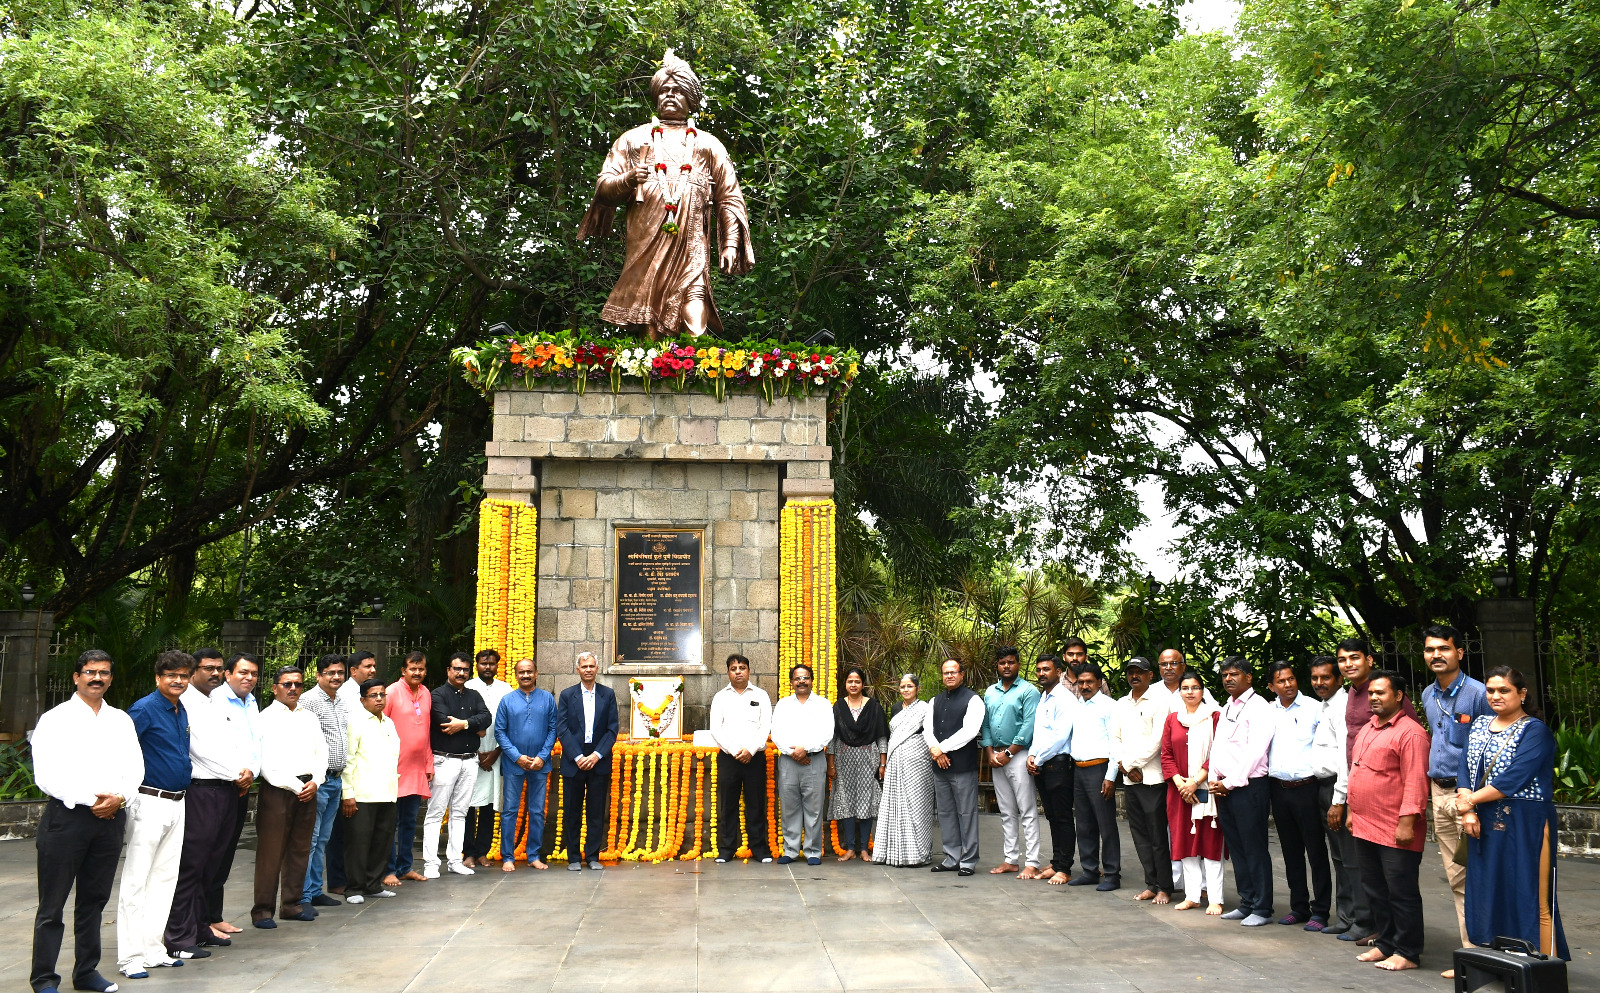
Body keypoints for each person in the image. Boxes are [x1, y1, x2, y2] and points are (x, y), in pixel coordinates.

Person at [31, 650, 142, 993]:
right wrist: (92, 800)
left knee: (93, 900)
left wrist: (120, 799)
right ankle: (44, 978)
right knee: (52, 905)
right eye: (90, 672)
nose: (98, 678)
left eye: (104, 673)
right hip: (67, 820)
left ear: (111, 678)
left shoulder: (121, 719)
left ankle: (87, 972)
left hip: (109, 820)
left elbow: (136, 768)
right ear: (77, 677)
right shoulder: (55, 719)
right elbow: (46, 775)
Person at [1456, 666, 1568, 961]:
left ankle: (1543, 967)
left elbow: (1514, 777)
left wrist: (1468, 803)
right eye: (1490, 690)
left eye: (1504, 690)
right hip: (1483, 818)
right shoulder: (1479, 724)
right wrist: (1468, 810)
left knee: (1529, 891)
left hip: (1526, 821)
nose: (1496, 696)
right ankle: (1497, 961)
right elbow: (1465, 767)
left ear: (1522, 694)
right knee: (1490, 890)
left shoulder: (1536, 731)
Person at [162, 648, 251, 960]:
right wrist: (236, 773)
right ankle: (178, 935)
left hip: (227, 790)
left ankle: (200, 926)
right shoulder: (186, 702)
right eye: (207, 668)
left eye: (217, 668)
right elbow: (198, 749)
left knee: (212, 865)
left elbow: (232, 743)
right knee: (192, 865)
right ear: (193, 671)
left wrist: (243, 770)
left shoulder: (217, 701)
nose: (214, 673)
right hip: (202, 790)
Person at [1326, 638, 1415, 945]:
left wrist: (1407, 815)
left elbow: (1411, 757)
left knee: (1395, 882)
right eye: (1342, 659)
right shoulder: (1352, 694)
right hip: (1359, 798)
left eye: (1355, 658)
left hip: (1389, 803)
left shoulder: (1396, 709)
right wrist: (1346, 801)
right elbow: (1349, 749)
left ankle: (1399, 942)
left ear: (1370, 660)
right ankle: (1378, 931)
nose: (1348, 664)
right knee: (1367, 873)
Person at [117, 651, 193, 980]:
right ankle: (130, 957)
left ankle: (153, 949)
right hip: (148, 801)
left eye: (184, 675)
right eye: (171, 675)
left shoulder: (180, 708)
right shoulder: (144, 709)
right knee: (136, 882)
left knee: (164, 880)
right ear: (157, 677)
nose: (178, 680)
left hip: (178, 802)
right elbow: (121, 751)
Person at [1347, 670, 1429, 972]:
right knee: (1374, 888)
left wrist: (1407, 821)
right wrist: (1352, 811)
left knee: (1401, 891)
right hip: (1365, 824)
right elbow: (1357, 772)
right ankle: (1385, 943)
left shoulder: (1411, 733)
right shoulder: (1369, 728)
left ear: (1399, 696)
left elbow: (1416, 782)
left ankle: (1408, 951)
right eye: (1371, 693)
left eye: (1381, 693)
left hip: (1396, 827)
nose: (1374, 698)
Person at [1419, 624, 1490, 954]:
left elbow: (1492, 748)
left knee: (1483, 874)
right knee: (1457, 876)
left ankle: (1495, 952)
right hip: (1439, 793)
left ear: (1459, 653)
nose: (1436, 655)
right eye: (1430, 649)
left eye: (1443, 649)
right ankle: (1472, 955)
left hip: (1471, 797)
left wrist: (1473, 802)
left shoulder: (1478, 694)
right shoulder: (1427, 695)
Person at [252, 666, 326, 929]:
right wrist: (297, 786)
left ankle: (292, 904)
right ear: (275, 688)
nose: (293, 688)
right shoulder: (265, 718)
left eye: (297, 684)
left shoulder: (310, 717)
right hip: (279, 790)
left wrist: (316, 780)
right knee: (271, 852)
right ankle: (262, 910)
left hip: (309, 788)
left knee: (300, 849)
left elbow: (322, 752)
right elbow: (265, 762)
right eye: (287, 684)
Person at [1265, 661, 1332, 929]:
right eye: (1281, 681)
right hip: (1279, 790)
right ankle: (1298, 907)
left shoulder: (1315, 709)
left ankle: (1321, 911)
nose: (1288, 684)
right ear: (1272, 686)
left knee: (1316, 851)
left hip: (1308, 788)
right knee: (1291, 851)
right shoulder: (1268, 712)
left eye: (1291, 679)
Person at [1209, 657, 1275, 926]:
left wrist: (1230, 782)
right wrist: (1215, 779)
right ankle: (1246, 902)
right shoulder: (1227, 706)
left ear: (1249, 677)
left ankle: (1261, 908)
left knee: (1254, 847)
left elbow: (1255, 752)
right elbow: (1218, 746)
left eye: (1234, 674)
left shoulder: (1259, 707)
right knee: (1236, 848)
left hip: (1248, 787)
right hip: (1224, 787)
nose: (1228, 679)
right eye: (1224, 675)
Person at [206, 653, 262, 939]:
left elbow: (255, 745)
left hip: (242, 785)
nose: (248, 678)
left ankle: (215, 916)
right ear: (228, 674)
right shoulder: (214, 700)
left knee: (226, 852)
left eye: (253, 673)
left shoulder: (251, 702)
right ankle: (203, 918)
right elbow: (213, 745)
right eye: (242, 672)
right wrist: (236, 773)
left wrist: (251, 771)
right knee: (210, 853)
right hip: (219, 786)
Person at [1161, 672, 1226, 914]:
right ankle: (1192, 895)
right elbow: (1166, 755)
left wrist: (1195, 781)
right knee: (1184, 844)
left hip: (1207, 789)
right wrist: (1181, 784)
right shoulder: (1172, 720)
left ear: (1203, 690)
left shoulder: (1215, 718)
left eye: (1195, 687)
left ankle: (1215, 899)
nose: (1190, 692)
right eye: (1185, 688)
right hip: (1179, 793)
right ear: (1179, 692)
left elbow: (1218, 752)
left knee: (1210, 845)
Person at [422, 652, 491, 878]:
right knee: (436, 813)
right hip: (444, 760)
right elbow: (443, 721)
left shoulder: (474, 694)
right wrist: (473, 725)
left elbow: (486, 718)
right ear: (448, 671)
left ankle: (454, 860)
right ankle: (431, 864)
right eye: (457, 669)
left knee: (460, 813)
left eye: (465, 670)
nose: (461, 673)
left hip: (470, 761)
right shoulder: (437, 695)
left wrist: (462, 724)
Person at [1114, 656, 1173, 903]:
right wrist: (1126, 768)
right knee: (1139, 836)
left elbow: (1158, 740)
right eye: (1131, 672)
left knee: (1158, 836)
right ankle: (1151, 883)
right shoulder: (1121, 704)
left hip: (1152, 779)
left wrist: (1132, 765)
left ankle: (1164, 888)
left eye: (1140, 672)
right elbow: (1114, 739)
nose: (1134, 676)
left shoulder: (1161, 702)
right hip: (1131, 780)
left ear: (1150, 676)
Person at [981, 647, 1042, 879]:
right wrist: (989, 753)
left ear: (1018, 664)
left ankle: (1033, 861)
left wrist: (1009, 752)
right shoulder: (990, 692)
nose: (1006, 666)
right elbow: (985, 723)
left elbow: (1029, 725)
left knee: (1027, 810)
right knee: (1006, 811)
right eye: (1002, 663)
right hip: (996, 757)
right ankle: (1011, 859)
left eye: (1011, 662)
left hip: (1018, 756)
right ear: (997, 665)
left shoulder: (1028, 691)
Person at [1309, 655, 1359, 935]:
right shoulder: (1325, 707)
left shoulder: (1343, 707)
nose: (1319, 683)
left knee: (1349, 858)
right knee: (1339, 857)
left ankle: (1356, 920)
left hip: (1337, 787)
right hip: (1323, 786)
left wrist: (1339, 800)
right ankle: (1345, 918)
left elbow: (1345, 756)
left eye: (1325, 677)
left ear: (1339, 678)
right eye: (1315, 678)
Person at [557, 651, 619, 869]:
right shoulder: (567, 695)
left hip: (598, 760)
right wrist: (578, 756)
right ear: (578, 669)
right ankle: (574, 857)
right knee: (572, 812)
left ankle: (592, 856)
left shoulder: (608, 694)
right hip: (574, 761)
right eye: (584, 667)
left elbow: (612, 730)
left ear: (597, 668)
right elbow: (562, 729)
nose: (588, 670)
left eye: (592, 666)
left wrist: (596, 755)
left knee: (595, 811)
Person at [709, 653, 773, 863]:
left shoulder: (761, 695)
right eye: (734, 668)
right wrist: (735, 750)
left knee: (755, 804)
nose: (738, 672)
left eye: (742, 668)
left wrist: (750, 750)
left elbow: (765, 726)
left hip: (755, 758)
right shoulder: (720, 697)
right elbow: (716, 728)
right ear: (728, 672)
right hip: (729, 757)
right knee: (728, 805)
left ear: (748, 670)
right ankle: (727, 850)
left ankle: (760, 850)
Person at [495, 658, 558, 870]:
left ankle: (533, 855)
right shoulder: (507, 700)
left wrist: (542, 756)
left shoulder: (547, 699)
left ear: (536, 673)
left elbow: (553, 730)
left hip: (540, 764)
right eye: (521, 672)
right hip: (514, 765)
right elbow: (500, 732)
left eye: (529, 672)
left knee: (538, 810)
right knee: (510, 810)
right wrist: (517, 756)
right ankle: (508, 857)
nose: (525, 675)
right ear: (516, 675)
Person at [342, 679, 401, 903]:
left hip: (387, 791)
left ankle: (373, 884)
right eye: (373, 695)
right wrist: (348, 794)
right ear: (362, 699)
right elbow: (348, 761)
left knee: (382, 841)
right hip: (362, 793)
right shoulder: (356, 722)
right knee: (359, 843)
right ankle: (354, 888)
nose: (379, 699)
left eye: (382, 695)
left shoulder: (388, 723)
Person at [925, 659, 985, 876]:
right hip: (940, 767)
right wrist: (935, 749)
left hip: (962, 766)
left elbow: (969, 731)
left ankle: (968, 860)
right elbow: (927, 729)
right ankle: (952, 857)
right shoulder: (935, 701)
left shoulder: (974, 700)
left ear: (962, 674)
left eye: (953, 672)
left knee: (966, 813)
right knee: (946, 813)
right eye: (945, 672)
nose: (949, 676)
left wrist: (941, 749)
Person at [771, 664, 835, 865]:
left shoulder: (823, 704)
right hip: (789, 762)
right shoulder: (783, 704)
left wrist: (804, 749)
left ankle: (813, 851)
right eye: (797, 678)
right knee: (789, 806)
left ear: (811, 680)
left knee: (814, 808)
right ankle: (790, 850)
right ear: (792, 682)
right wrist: (793, 752)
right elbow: (776, 733)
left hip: (814, 761)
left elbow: (827, 733)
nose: (801, 681)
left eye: (805, 678)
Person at [1026, 654, 1080, 884]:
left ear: (1058, 671)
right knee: (1052, 816)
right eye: (1038, 669)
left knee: (1063, 816)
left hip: (1058, 764)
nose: (1041, 673)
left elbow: (1060, 736)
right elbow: (1040, 732)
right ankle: (1057, 862)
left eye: (1046, 669)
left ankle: (1065, 868)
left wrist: (1038, 758)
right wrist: (1031, 754)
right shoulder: (1043, 697)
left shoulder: (1065, 699)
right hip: (1042, 764)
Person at [299, 654, 348, 909]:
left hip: (336, 780)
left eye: (340, 672)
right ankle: (303, 895)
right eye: (330, 673)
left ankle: (316, 890)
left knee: (323, 839)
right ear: (319, 675)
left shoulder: (341, 701)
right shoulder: (309, 700)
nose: (336, 677)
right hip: (318, 780)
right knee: (310, 839)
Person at [872, 674, 935, 867]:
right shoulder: (896, 708)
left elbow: (929, 734)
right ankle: (893, 851)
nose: (906, 689)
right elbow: (895, 735)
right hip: (896, 761)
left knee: (917, 804)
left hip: (918, 761)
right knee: (894, 803)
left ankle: (917, 853)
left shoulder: (925, 708)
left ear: (917, 688)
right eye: (902, 686)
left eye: (909, 686)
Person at [1066, 663, 1119, 891]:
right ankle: (1089, 870)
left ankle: (1112, 874)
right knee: (1084, 824)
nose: (1085, 686)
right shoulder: (1076, 705)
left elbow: (1116, 743)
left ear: (1099, 682)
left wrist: (1111, 776)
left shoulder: (1110, 706)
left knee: (1106, 825)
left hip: (1100, 770)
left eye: (1089, 682)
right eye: (1081, 682)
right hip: (1078, 769)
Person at [327, 649, 377, 894]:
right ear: (354, 670)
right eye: (367, 666)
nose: (373, 670)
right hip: (343, 769)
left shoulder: (369, 693)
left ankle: (359, 877)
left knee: (357, 830)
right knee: (338, 831)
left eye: (374, 666)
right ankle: (338, 880)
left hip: (364, 770)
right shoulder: (344, 695)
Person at [827, 666, 888, 862]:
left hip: (868, 760)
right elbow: (832, 738)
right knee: (847, 803)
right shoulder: (838, 707)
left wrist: (882, 763)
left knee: (866, 803)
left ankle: (864, 849)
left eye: (857, 681)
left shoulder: (873, 707)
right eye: (850, 681)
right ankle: (850, 848)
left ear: (863, 684)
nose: (853, 685)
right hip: (843, 760)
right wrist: (831, 763)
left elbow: (881, 736)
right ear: (845, 684)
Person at [385, 651, 433, 885]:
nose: (417, 672)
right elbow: (379, 727)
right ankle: (387, 869)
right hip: (393, 768)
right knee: (389, 822)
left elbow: (426, 731)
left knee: (409, 822)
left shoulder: (425, 693)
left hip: (416, 769)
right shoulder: (392, 692)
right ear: (403, 670)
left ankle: (405, 867)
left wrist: (428, 761)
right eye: (412, 668)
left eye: (421, 668)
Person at [463, 649, 512, 867]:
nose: (488, 667)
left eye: (492, 664)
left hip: (497, 753)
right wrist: (477, 751)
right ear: (477, 665)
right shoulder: (467, 688)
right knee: (466, 805)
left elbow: (511, 724)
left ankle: (483, 850)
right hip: (469, 753)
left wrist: (496, 752)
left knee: (489, 805)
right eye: (484, 663)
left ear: (497, 666)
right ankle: (468, 852)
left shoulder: (506, 689)